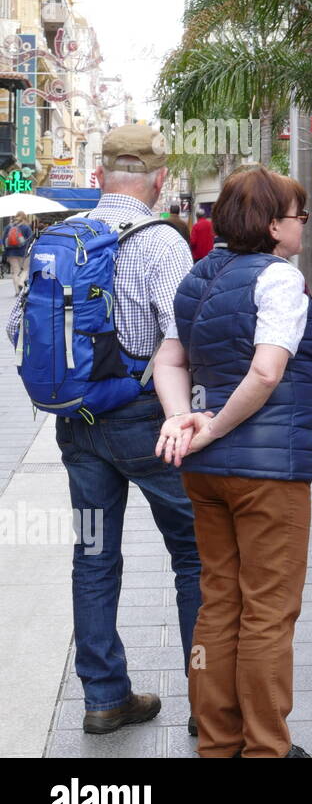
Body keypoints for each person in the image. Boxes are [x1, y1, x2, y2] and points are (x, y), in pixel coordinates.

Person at [5, 125, 201, 734]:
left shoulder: (58, 236)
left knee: (93, 557)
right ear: (159, 179)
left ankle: (104, 698)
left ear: (98, 178)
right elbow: (184, 334)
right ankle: (209, 702)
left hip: (78, 426)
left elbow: (20, 329)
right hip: (147, 421)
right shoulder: (161, 241)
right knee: (195, 556)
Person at [153, 166, 312, 758]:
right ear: (275, 225)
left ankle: (218, 744)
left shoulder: (196, 277)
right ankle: (265, 748)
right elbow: (267, 370)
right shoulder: (281, 279)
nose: (303, 225)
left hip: (205, 475)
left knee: (219, 601)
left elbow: (168, 363)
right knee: (268, 614)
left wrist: (184, 421)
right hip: (268, 473)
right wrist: (212, 426)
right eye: (299, 216)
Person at [3, 211, 33, 294]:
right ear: (25, 217)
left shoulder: (8, 227)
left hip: (11, 252)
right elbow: (31, 239)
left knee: (15, 271)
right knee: (25, 269)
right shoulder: (26, 227)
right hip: (23, 252)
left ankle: (17, 291)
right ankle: (21, 282)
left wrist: (6, 251)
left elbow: (3, 239)